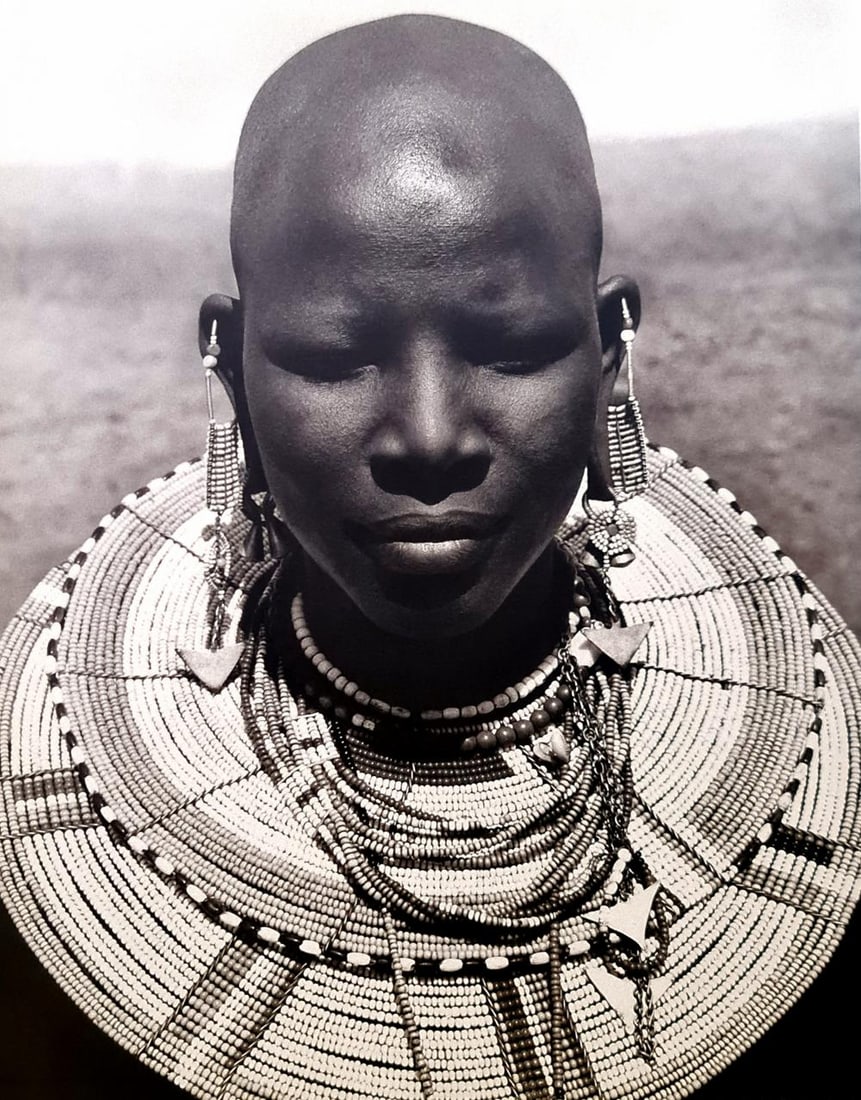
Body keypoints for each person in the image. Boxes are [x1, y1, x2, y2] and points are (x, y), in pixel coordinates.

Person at [0, 14, 858, 1100]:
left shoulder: (823, 784)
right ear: (229, 361)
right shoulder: (47, 887)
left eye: (510, 347)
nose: (430, 436)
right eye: (332, 354)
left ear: (608, 351)